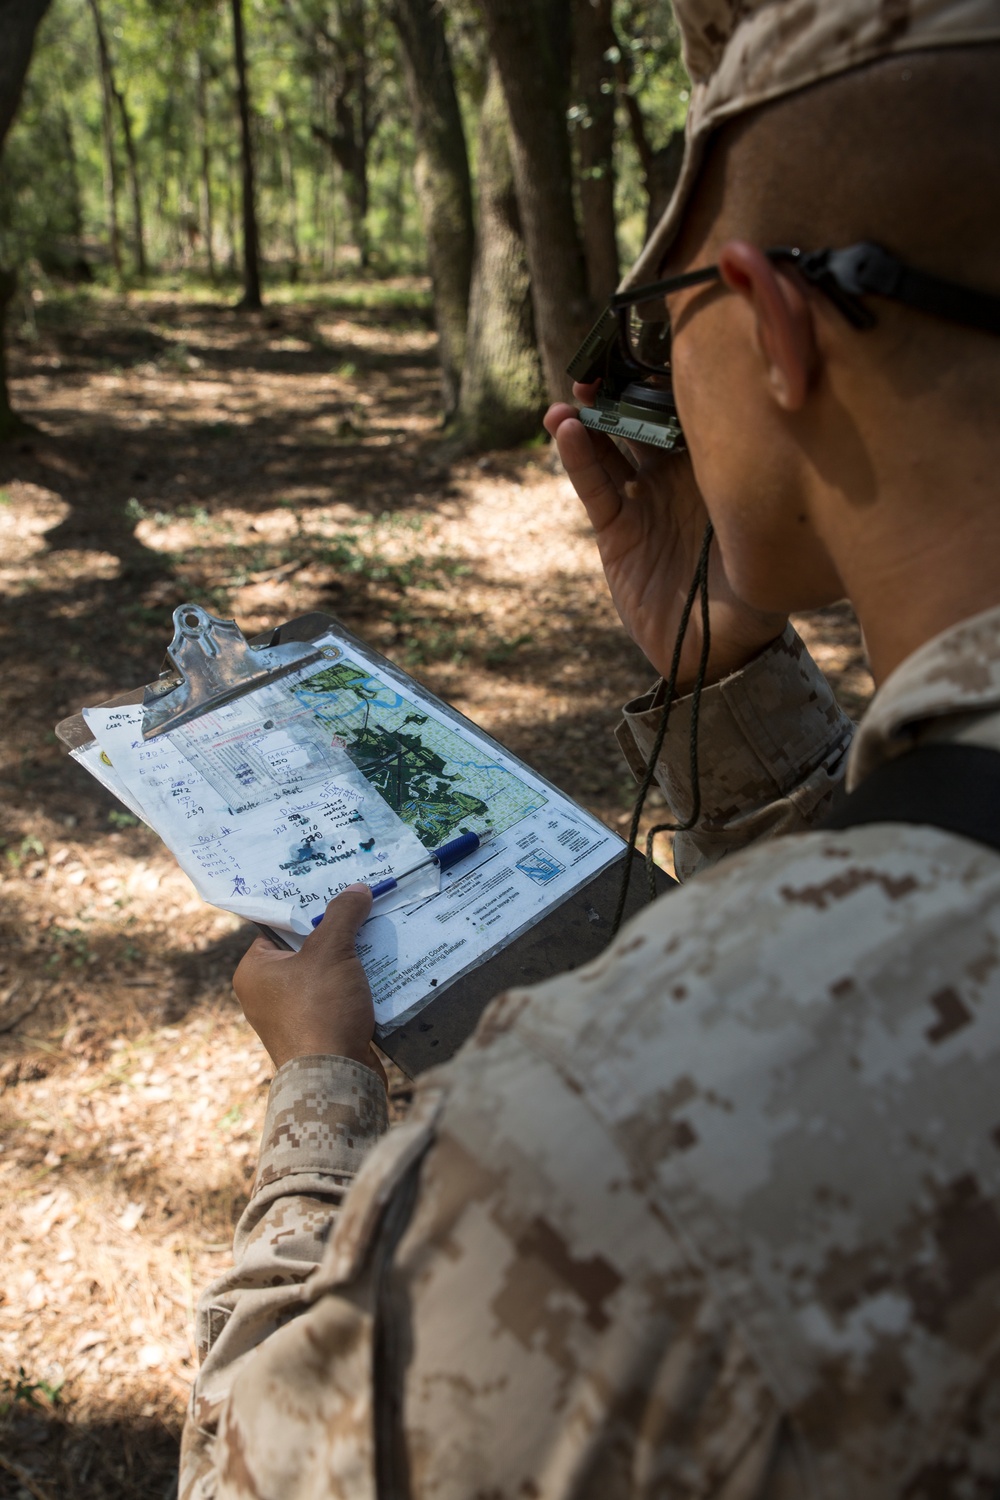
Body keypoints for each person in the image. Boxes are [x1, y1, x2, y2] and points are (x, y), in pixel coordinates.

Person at [181, 2, 1000, 1495]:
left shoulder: (619, 1129)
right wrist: (732, 679)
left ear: (772, 325)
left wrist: (318, 1094)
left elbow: (257, 1471)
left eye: (662, 321)